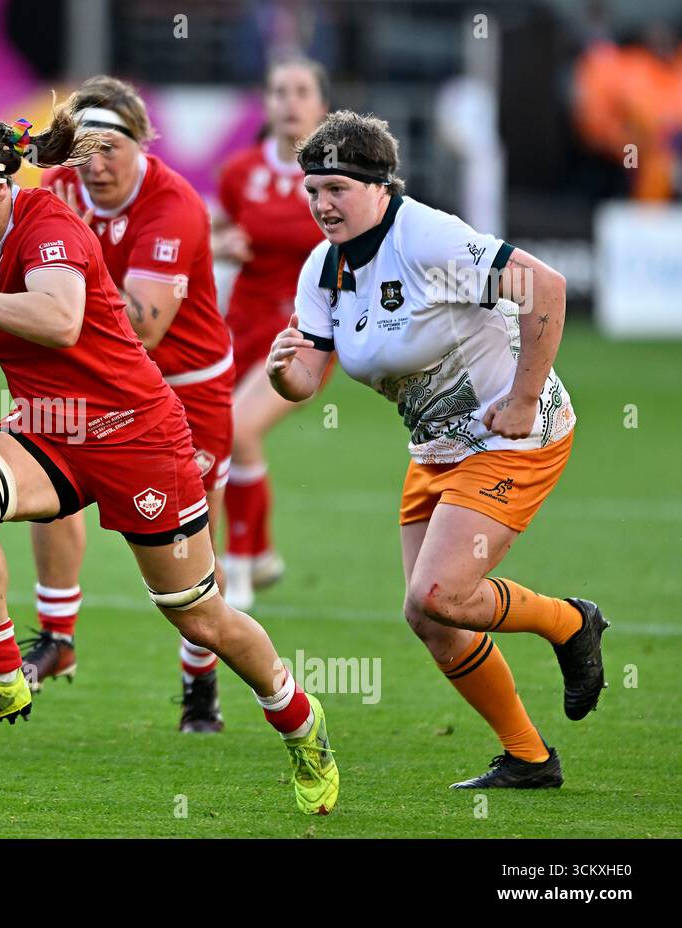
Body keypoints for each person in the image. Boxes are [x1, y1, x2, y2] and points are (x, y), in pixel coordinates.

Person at [0, 105, 339, 815]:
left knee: (200, 617)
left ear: (1, 187)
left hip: (136, 438)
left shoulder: (50, 227)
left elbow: (57, 320)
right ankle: (0, 673)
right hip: (50, 430)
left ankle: (301, 722)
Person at [268, 110, 606, 789]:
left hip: (515, 435)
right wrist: (282, 370)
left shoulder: (426, 237)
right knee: (427, 616)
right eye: (312, 191)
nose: (322, 205)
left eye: (336, 188)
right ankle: (529, 758)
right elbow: (306, 378)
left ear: (379, 186)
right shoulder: (323, 268)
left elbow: (547, 287)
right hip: (436, 449)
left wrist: (519, 398)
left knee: (441, 593)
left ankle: (570, 623)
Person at [24, 76, 235, 733]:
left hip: (184, 390)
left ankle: (200, 682)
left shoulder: (174, 204)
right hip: (87, 381)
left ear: (140, 144)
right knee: (42, 487)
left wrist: (57, 302)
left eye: (114, 144)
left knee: (188, 554)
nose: (100, 160)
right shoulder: (53, 191)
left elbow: (144, 327)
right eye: (86, 144)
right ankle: (56, 637)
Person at [214, 56, 330, 610]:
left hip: (306, 332)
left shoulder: (338, 179)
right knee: (220, 438)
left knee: (238, 428)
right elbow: (207, 231)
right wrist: (217, 246)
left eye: (301, 91)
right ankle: (259, 552)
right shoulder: (239, 173)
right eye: (279, 90)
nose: (289, 101)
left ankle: (235, 571)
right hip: (241, 325)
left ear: (322, 105)